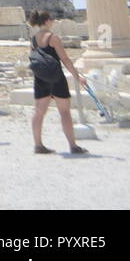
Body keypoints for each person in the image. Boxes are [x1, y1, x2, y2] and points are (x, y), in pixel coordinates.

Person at [28, 10, 89, 154]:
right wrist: (77, 76)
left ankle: (38, 145)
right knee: (64, 112)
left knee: (39, 112)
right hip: (56, 77)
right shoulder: (53, 38)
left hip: (41, 78)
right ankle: (73, 145)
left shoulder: (33, 40)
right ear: (47, 21)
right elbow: (65, 59)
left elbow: (32, 58)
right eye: (52, 19)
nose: (53, 22)